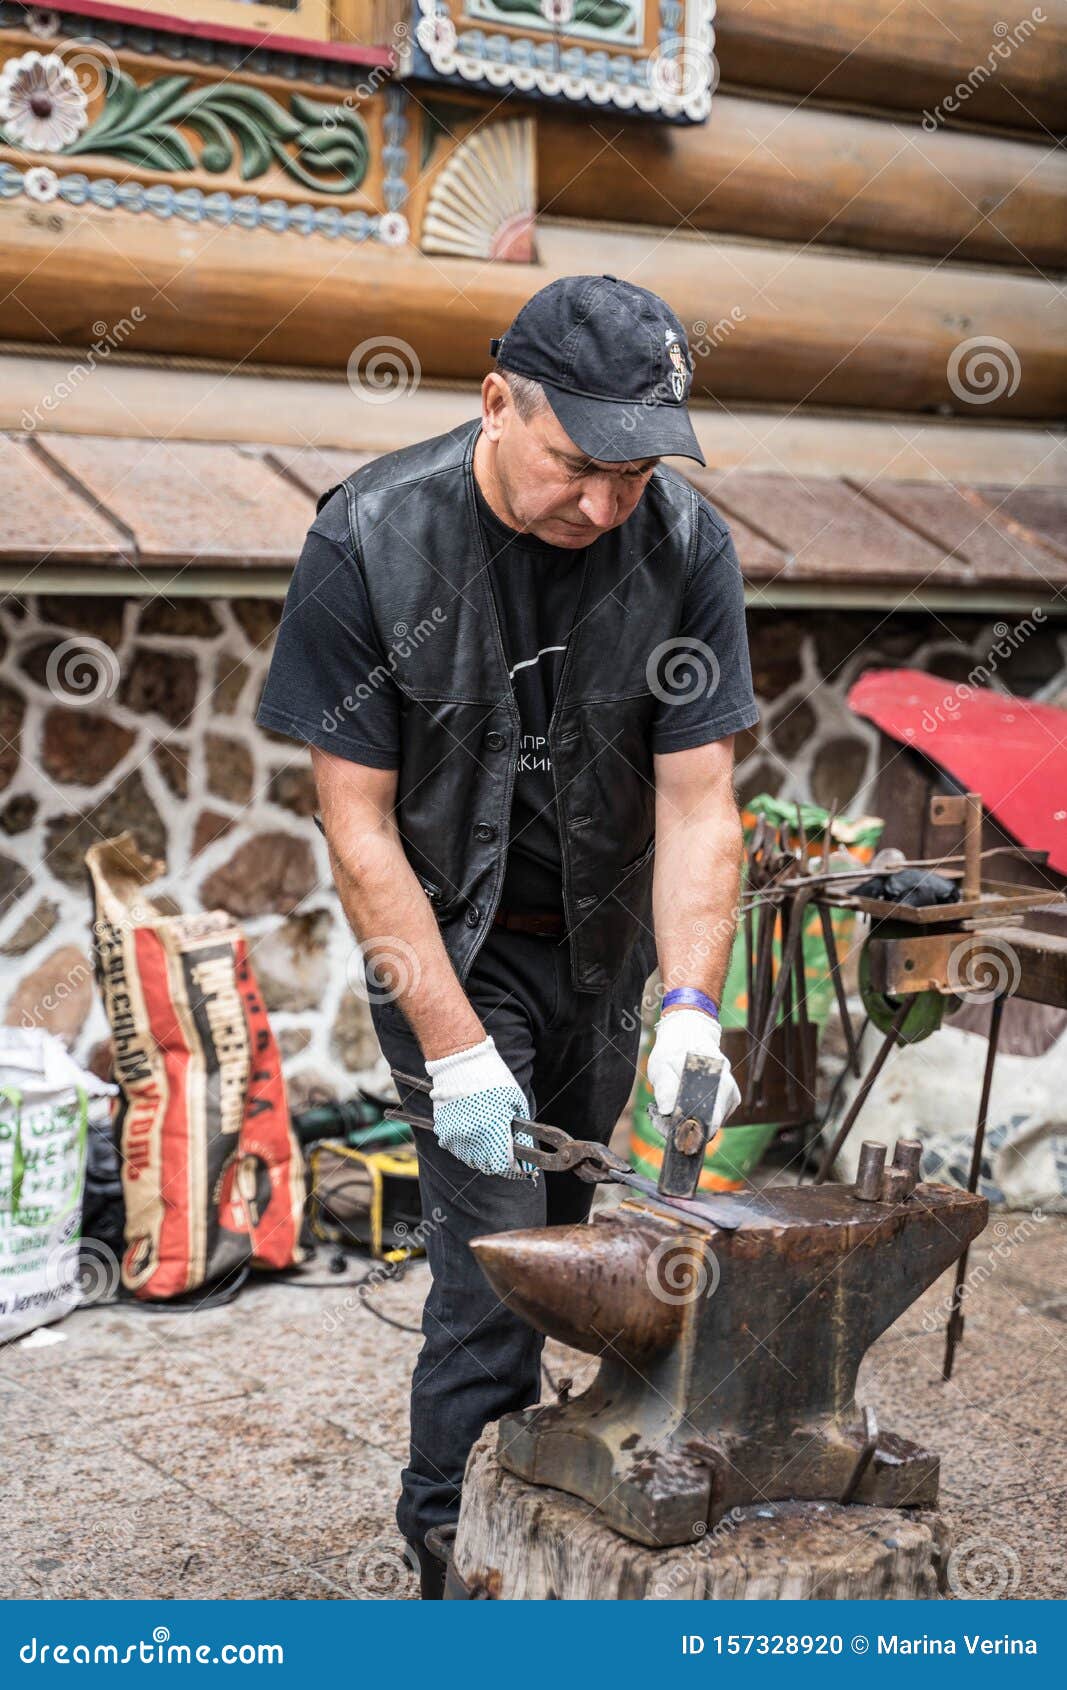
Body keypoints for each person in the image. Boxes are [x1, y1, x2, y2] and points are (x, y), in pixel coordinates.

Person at [257, 273, 759, 1596]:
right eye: (579, 464)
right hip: (446, 945)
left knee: (583, 1254)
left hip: (600, 950)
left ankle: (566, 1542)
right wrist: (454, 1045)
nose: (605, 505)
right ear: (497, 402)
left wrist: (691, 1010)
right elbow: (358, 826)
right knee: (494, 1278)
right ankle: (452, 1565)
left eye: (635, 474)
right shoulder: (371, 536)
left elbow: (699, 807)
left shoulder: (688, 550)